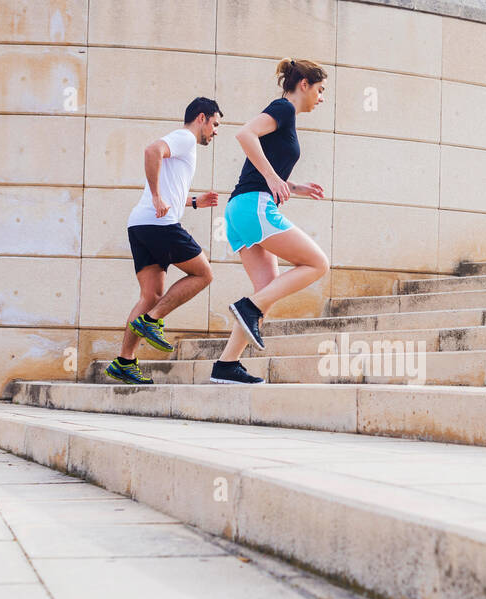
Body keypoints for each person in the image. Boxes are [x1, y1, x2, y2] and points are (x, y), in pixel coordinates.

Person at [209, 59, 329, 385]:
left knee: (268, 291)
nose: (321, 98)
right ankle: (249, 307)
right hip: (253, 207)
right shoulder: (283, 108)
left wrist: (292, 185)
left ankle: (226, 365)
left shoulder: (285, 117)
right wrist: (274, 177)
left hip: (241, 207)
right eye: (320, 90)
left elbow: (262, 167)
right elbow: (244, 134)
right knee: (317, 263)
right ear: (303, 83)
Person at [105, 97, 223, 384]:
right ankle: (152, 320)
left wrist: (194, 201)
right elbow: (151, 150)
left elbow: (172, 193)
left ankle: (124, 361)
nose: (215, 131)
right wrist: (157, 196)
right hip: (159, 224)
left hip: (141, 225)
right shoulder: (185, 137)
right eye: (215, 124)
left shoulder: (183, 144)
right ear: (201, 118)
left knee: (150, 295)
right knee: (204, 273)